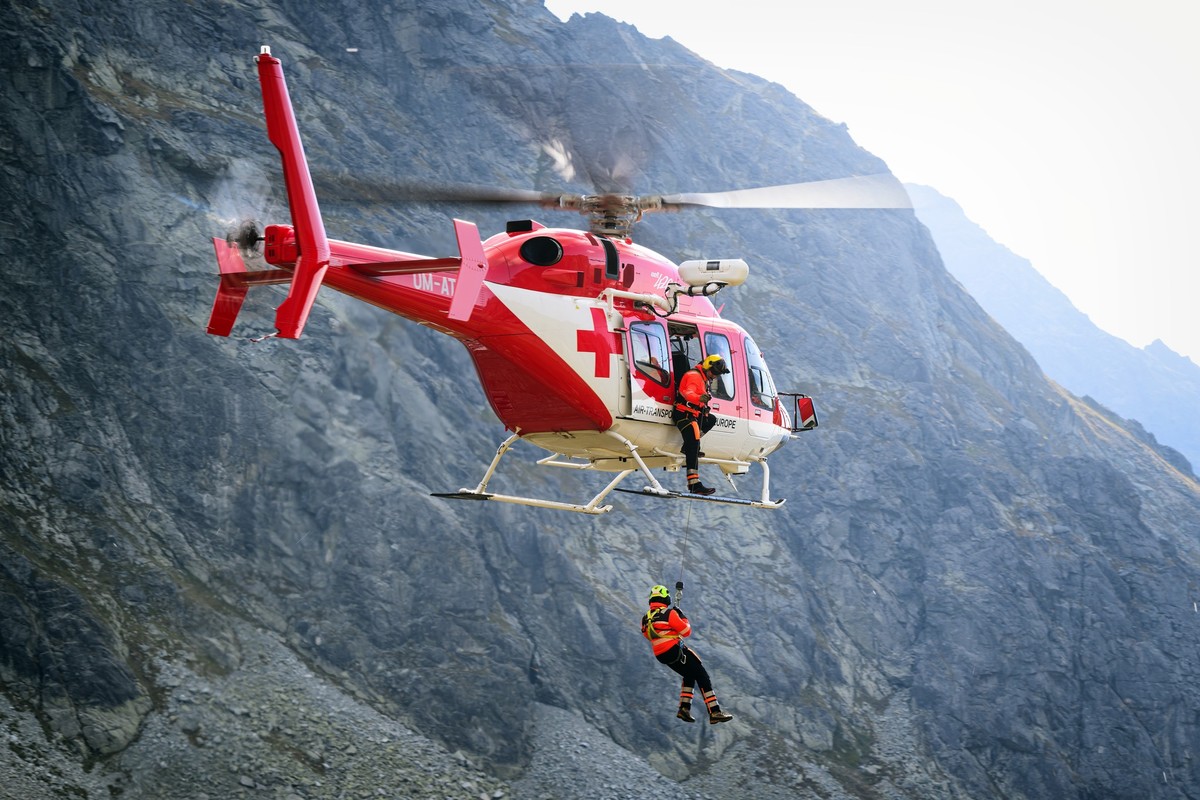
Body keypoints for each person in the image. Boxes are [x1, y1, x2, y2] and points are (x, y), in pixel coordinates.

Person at [640, 584, 733, 724]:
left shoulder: (646, 618)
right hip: (674, 650)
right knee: (702, 675)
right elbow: (686, 631)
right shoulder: (669, 613)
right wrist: (681, 616)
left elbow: (649, 635)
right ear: (666, 598)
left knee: (689, 675)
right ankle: (715, 712)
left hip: (661, 655)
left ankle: (684, 709)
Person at [673, 354, 729, 495]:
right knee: (694, 441)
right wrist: (699, 398)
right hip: (683, 414)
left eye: (718, 374)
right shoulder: (694, 376)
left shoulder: (704, 379)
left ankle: (688, 446)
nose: (715, 376)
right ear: (707, 368)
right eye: (714, 373)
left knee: (710, 420)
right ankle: (694, 484)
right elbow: (687, 392)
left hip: (694, 414)